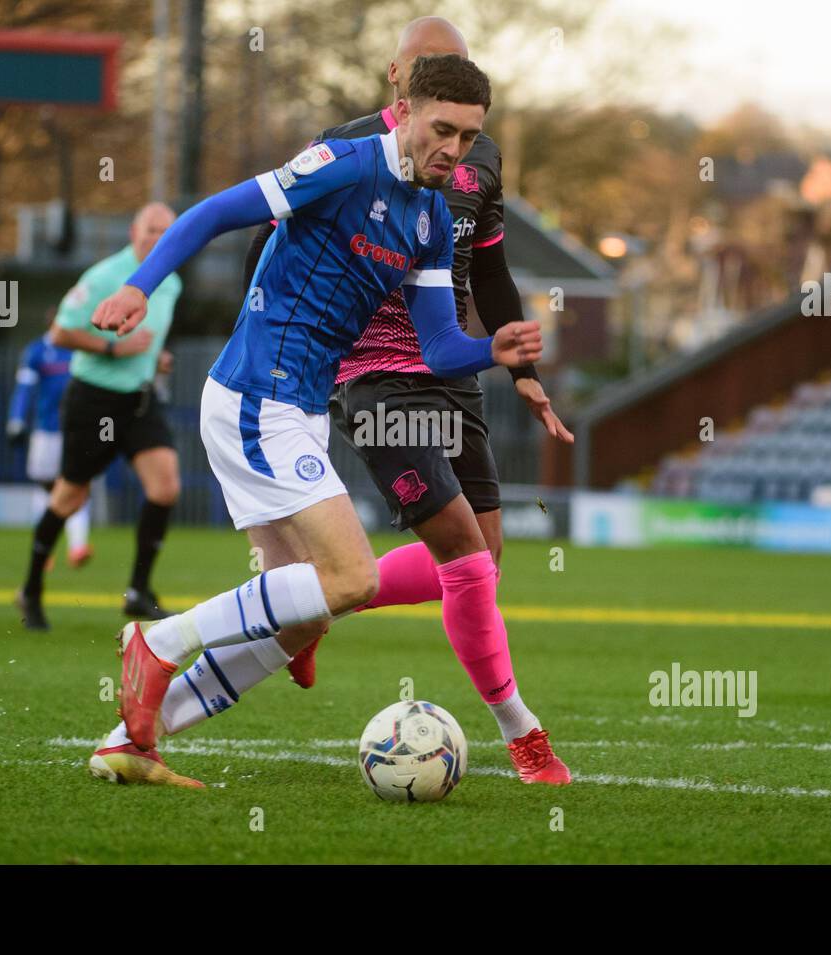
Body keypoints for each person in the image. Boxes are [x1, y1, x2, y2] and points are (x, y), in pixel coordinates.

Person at [86, 54, 543, 788]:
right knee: (353, 578)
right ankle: (159, 639)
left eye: (468, 137)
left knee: (301, 617)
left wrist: (494, 348)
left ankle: (128, 741)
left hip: (297, 409)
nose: (454, 151)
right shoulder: (339, 164)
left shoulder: (429, 218)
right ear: (404, 108)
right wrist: (142, 285)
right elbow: (214, 213)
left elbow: (438, 347)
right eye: (442, 129)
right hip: (255, 397)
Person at [239, 17, 573, 784]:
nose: (445, 94)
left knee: (482, 563)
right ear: (398, 77)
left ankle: (314, 601)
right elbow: (270, 249)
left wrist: (519, 369)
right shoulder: (346, 146)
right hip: (371, 372)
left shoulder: (479, 158)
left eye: (456, 68)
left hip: (451, 366)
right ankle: (522, 730)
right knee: (461, 549)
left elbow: (487, 269)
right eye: (429, 70)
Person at [13, 203, 182, 631]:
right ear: (133, 230)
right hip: (94, 401)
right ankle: (31, 589)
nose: (158, 239)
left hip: (139, 402)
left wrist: (154, 359)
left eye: (168, 231)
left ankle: (138, 592)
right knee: (70, 497)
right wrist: (112, 348)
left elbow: (146, 339)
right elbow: (60, 332)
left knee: (165, 486)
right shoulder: (105, 276)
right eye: (151, 230)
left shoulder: (172, 281)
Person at [7, 310, 93, 569]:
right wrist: (16, 420)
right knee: (45, 488)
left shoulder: (81, 349)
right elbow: (24, 390)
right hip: (46, 431)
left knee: (78, 486)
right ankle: (45, 549)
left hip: (78, 429)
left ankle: (78, 546)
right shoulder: (36, 352)